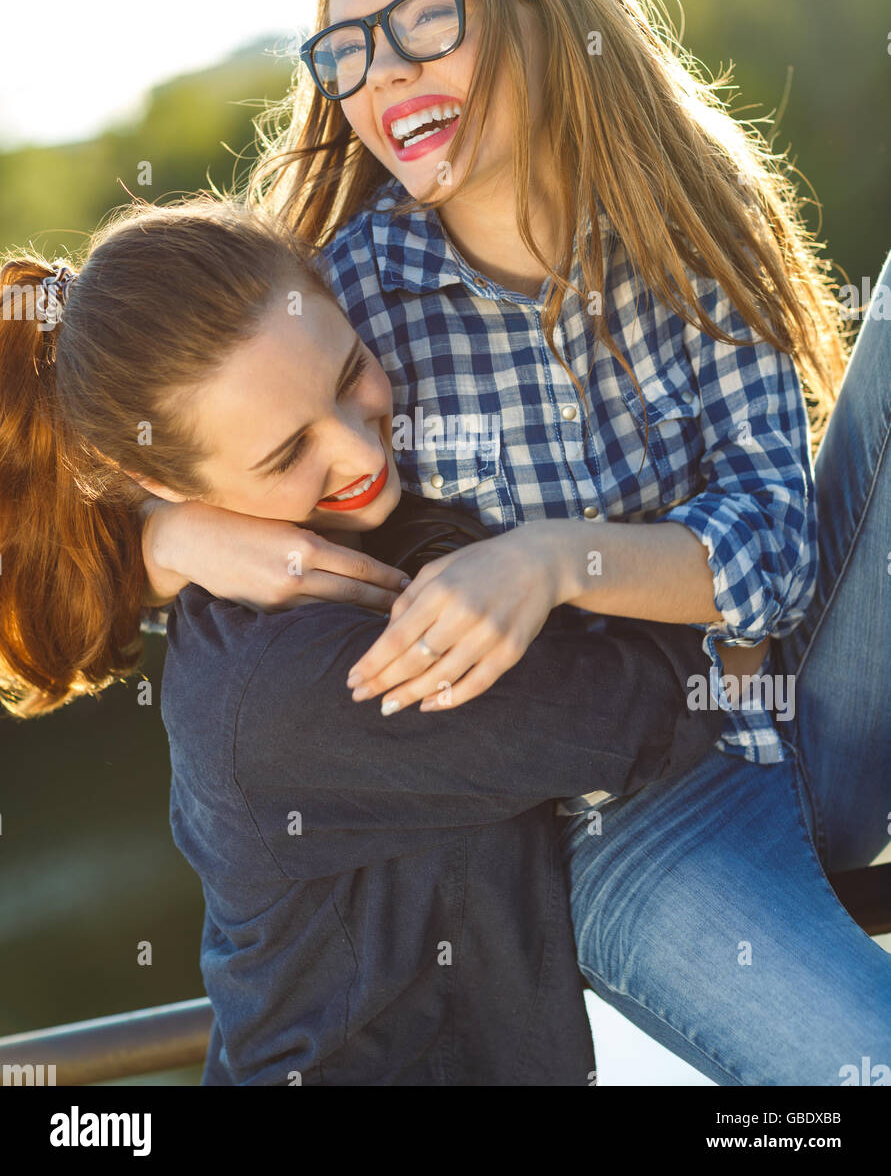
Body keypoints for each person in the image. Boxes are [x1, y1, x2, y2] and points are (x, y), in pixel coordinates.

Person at [141, 0, 891, 1083]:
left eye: (426, 22)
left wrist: (553, 559)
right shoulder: (346, 304)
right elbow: (139, 413)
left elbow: (780, 545)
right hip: (635, 812)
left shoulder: (698, 221)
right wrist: (163, 529)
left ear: (542, 11)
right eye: (347, 51)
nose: (383, 74)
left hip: (824, 716)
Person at [0, 197, 724, 1084]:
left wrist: (166, 536)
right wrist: (570, 560)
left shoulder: (323, 553)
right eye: (287, 454)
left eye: (349, 376)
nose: (358, 454)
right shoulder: (303, 682)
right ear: (160, 482)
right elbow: (663, 706)